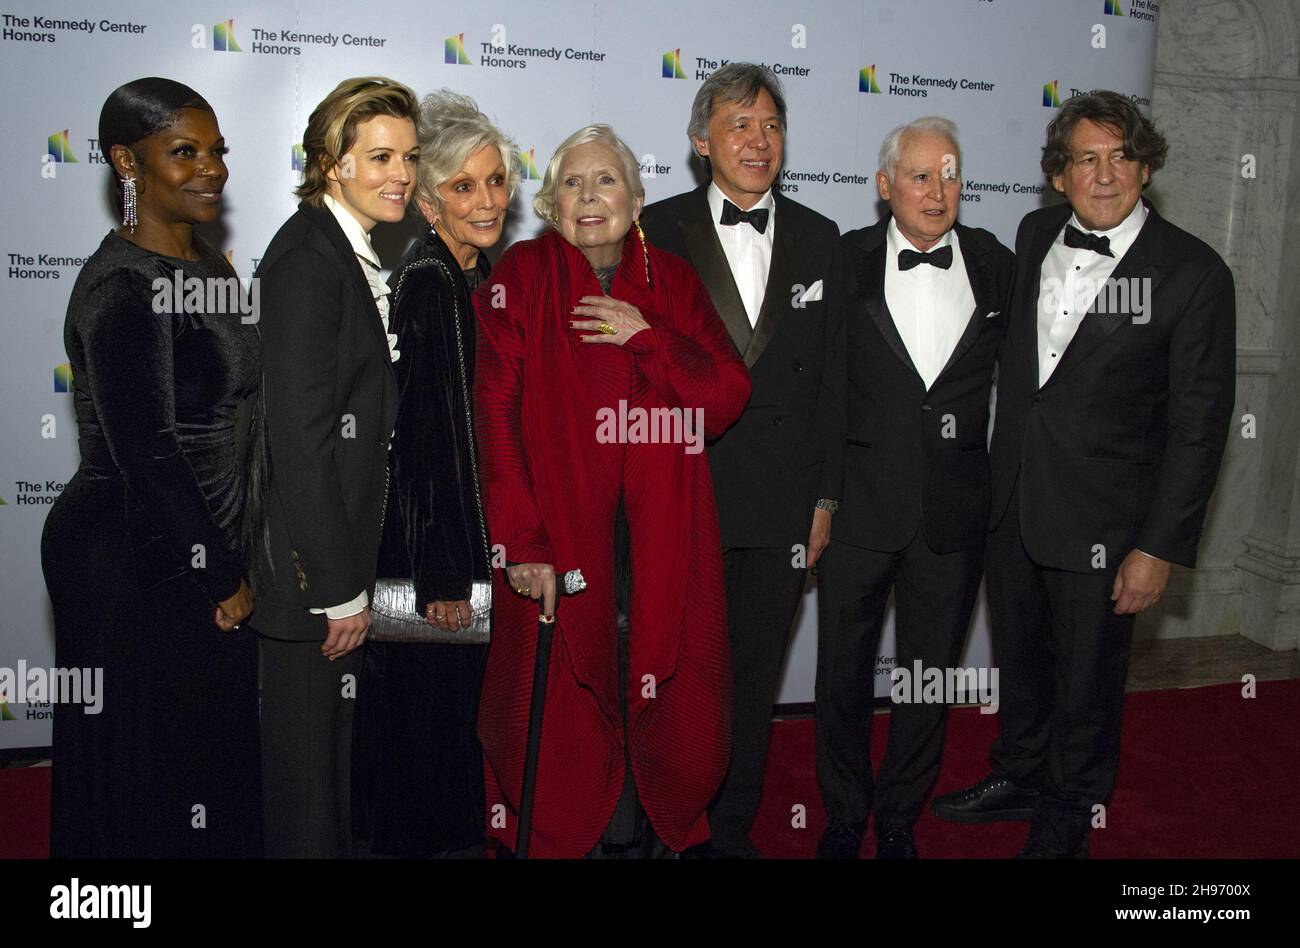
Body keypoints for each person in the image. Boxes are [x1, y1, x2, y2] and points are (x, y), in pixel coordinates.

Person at [930, 91, 1236, 857]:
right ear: (1059, 176)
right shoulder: (1034, 235)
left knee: (1088, 682)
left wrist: (1157, 547)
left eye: (1121, 157)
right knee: (1022, 662)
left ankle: (1070, 809)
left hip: (1110, 526)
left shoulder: (1194, 273)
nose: (1104, 175)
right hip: (1017, 505)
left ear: (1145, 165)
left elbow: (1199, 431)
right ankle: (1018, 773)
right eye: (1085, 159)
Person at [473, 124, 751, 858]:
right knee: (560, 702)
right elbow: (494, 420)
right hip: (559, 536)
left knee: (660, 684)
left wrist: (647, 337)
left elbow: (725, 396)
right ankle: (573, 837)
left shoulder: (675, 283)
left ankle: (646, 833)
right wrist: (522, 542)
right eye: (572, 182)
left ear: (636, 200)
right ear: (551, 200)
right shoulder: (521, 278)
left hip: (662, 535)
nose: (589, 196)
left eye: (606, 181)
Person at [42, 77, 261, 857]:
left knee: (202, 761)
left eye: (216, 150)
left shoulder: (207, 264)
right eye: (184, 153)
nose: (211, 169)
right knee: (151, 767)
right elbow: (148, 450)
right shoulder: (120, 288)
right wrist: (219, 570)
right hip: (132, 552)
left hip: (195, 538)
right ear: (127, 163)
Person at [639, 62, 845, 857]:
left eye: (771, 125)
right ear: (700, 142)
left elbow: (836, 382)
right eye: (738, 125)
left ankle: (728, 836)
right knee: (675, 679)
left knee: (753, 683)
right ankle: (664, 826)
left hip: (783, 507)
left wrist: (825, 499)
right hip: (686, 492)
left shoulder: (822, 238)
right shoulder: (654, 230)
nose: (758, 141)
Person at [814, 118, 1014, 860]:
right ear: (885, 185)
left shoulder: (996, 264)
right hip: (858, 508)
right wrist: (819, 501)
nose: (938, 190)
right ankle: (841, 816)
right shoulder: (844, 260)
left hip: (953, 513)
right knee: (841, 673)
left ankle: (899, 818)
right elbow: (822, 391)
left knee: (928, 680)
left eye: (951, 174)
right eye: (921, 175)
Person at [251, 76, 417, 858]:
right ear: (331, 162)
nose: (401, 174)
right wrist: (338, 586)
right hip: (309, 583)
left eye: (409, 157)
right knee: (305, 791)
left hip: (334, 568)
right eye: (379, 156)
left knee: (329, 775)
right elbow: (299, 438)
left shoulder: (344, 248)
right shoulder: (308, 259)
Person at [353, 90, 517, 858]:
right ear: (426, 201)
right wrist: (445, 579)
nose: (485, 201)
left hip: (453, 546)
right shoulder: (430, 283)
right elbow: (424, 441)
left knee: (444, 734)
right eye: (462, 187)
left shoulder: (475, 274)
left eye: (495, 181)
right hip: (432, 559)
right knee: (423, 736)